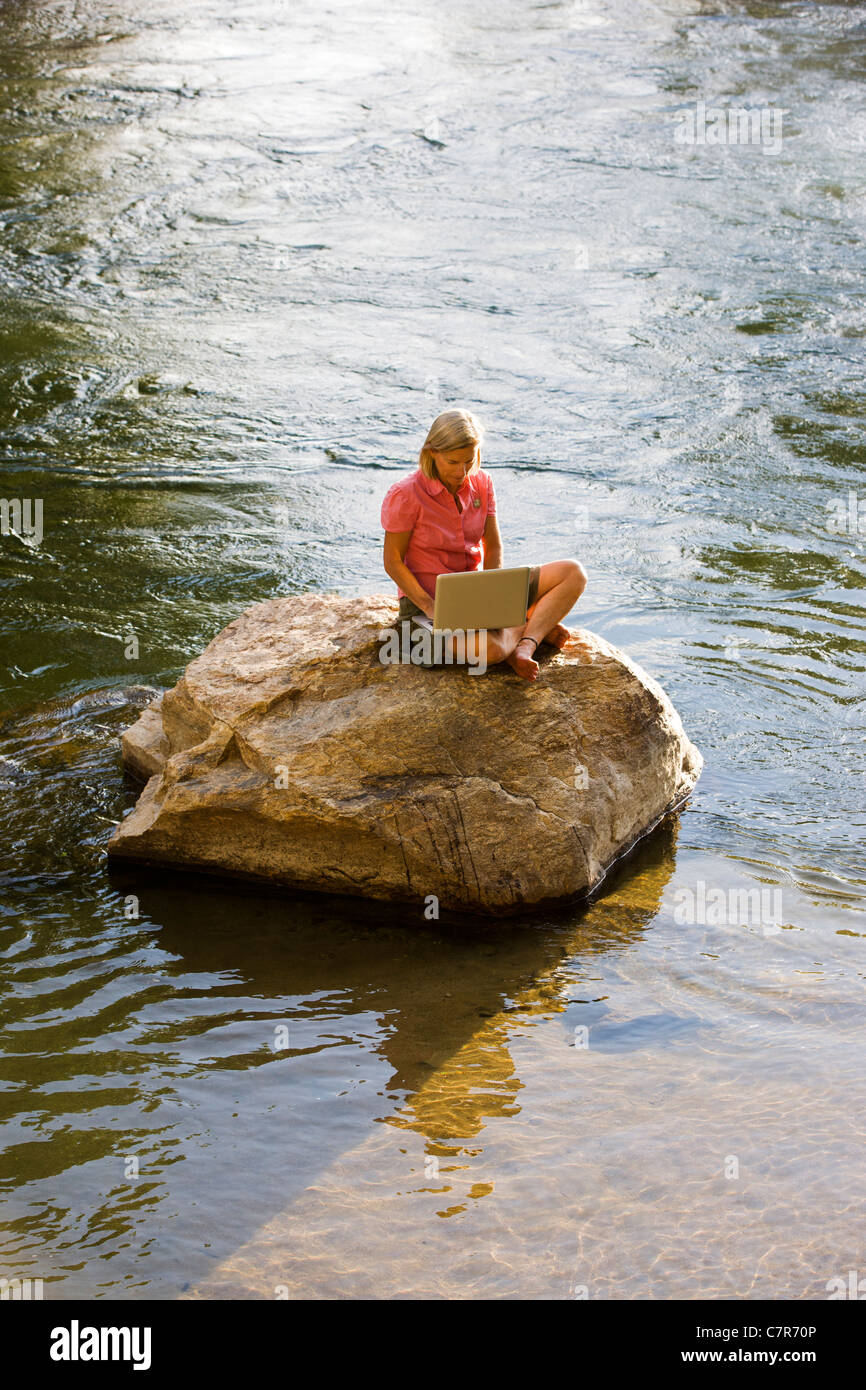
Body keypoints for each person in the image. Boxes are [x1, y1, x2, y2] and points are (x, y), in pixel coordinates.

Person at [381, 408, 586, 681]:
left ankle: (525, 645)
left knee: (573, 573)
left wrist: (496, 599)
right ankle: (527, 625)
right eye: (453, 462)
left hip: (477, 596)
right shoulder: (405, 494)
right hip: (425, 609)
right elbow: (392, 561)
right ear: (431, 453)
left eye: (469, 460)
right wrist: (430, 606)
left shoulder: (482, 482)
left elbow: (494, 547)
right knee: (490, 650)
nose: (462, 471)